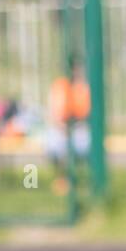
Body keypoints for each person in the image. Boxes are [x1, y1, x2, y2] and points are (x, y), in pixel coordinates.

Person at [45, 57, 91, 193]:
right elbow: (53, 113)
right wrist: (61, 127)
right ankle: (63, 178)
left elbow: (88, 115)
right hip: (61, 129)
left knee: (86, 141)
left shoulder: (85, 87)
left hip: (80, 129)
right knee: (54, 142)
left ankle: (89, 180)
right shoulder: (59, 86)